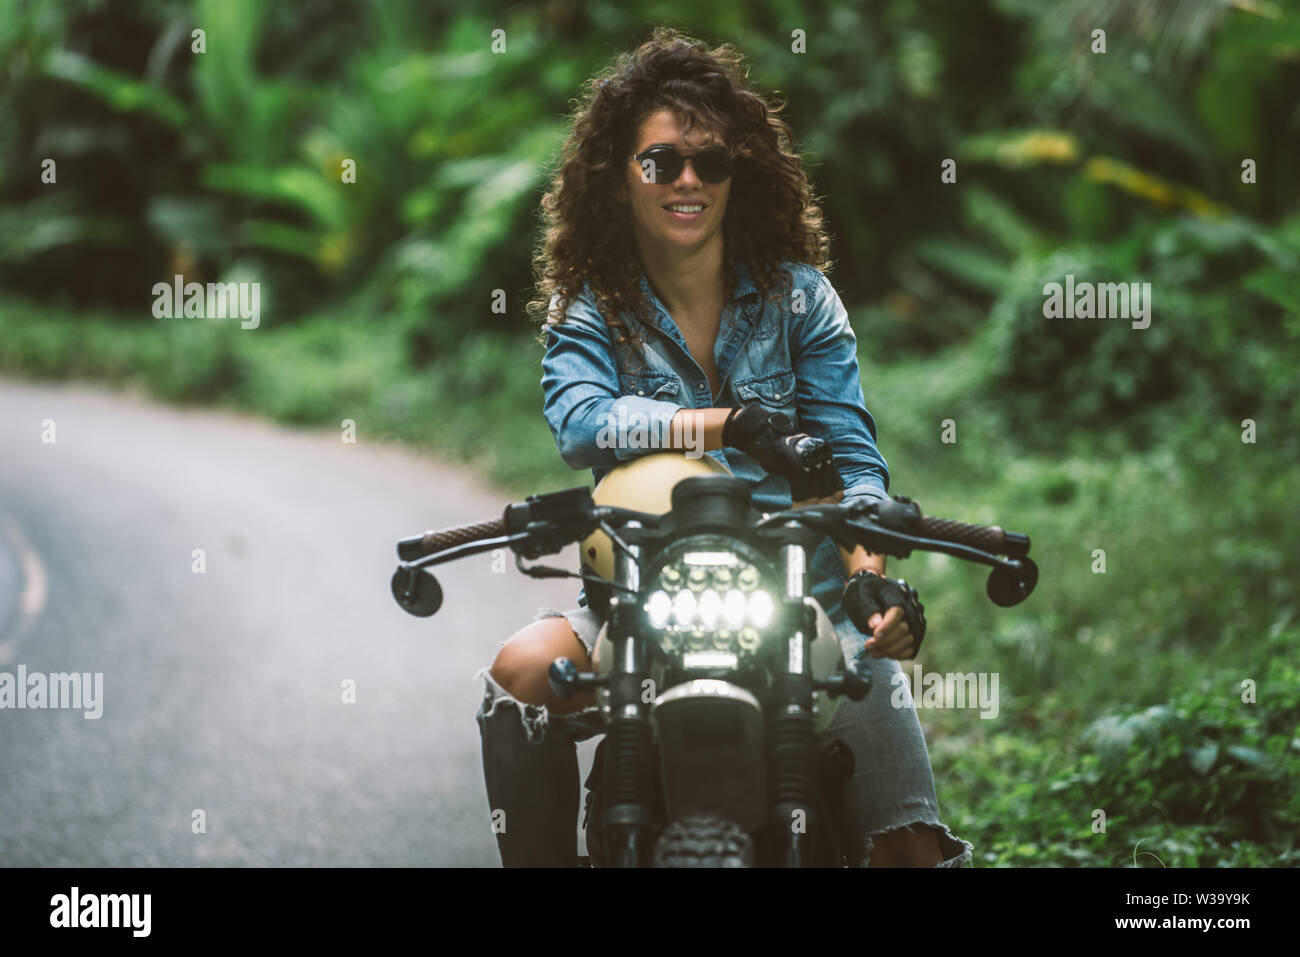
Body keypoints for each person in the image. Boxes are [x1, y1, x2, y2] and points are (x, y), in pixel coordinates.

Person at [475, 26, 972, 868]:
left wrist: (868, 588)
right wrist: (729, 423)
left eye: (713, 161)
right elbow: (581, 422)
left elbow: (852, 460)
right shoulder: (590, 302)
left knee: (914, 853)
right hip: (643, 592)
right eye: (663, 161)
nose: (690, 181)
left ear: (743, 172)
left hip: (795, 594)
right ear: (619, 175)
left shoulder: (801, 300)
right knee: (520, 671)